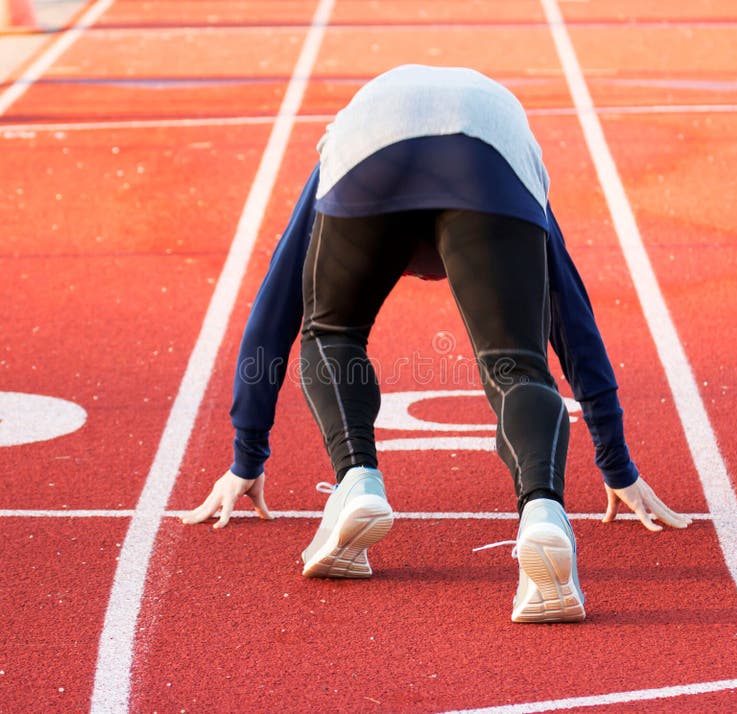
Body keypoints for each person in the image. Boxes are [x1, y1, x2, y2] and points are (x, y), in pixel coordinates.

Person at [183, 65, 690, 623]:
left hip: (372, 151)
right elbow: (572, 319)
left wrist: (247, 453)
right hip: (492, 156)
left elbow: (278, 302)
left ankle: (357, 481)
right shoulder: (527, 175)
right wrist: (614, 462)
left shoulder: (336, 153)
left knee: (331, 332)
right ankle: (543, 514)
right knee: (518, 365)